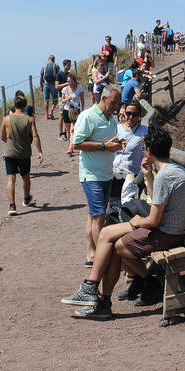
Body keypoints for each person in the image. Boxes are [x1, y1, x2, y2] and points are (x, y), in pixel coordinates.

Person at [62, 125, 185, 319]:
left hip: (165, 233)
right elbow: (159, 202)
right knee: (107, 234)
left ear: (148, 151)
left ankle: (99, 297)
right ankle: (93, 291)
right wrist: (148, 177)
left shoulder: (165, 177)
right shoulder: (177, 170)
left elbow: (153, 219)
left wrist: (139, 220)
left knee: (114, 247)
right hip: (172, 229)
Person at [69, 86, 123, 270]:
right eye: (114, 102)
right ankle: (102, 256)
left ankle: (90, 254)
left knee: (94, 214)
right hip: (91, 174)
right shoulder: (87, 115)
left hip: (107, 173)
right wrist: (103, 147)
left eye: (118, 103)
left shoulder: (110, 119)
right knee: (100, 215)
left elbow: (108, 142)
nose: (116, 106)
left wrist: (116, 145)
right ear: (104, 98)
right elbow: (76, 143)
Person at [1, 96, 43, 215]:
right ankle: (26, 199)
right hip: (24, 153)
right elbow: (35, 136)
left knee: (11, 178)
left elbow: (3, 137)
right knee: (26, 177)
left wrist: (11, 143)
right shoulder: (29, 120)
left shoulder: (6, 119)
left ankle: (12, 206)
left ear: (14, 105)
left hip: (10, 153)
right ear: (25, 106)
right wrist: (40, 151)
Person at [110, 100, 148, 206]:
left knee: (129, 208)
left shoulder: (145, 131)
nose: (131, 117)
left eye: (134, 114)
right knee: (112, 206)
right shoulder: (115, 128)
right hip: (114, 174)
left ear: (139, 115)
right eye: (128, 113)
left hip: (132, 177)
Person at [61, 78, 85, 154]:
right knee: (68, 131)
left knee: (72, 129)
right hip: (66, 110)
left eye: (70, 81)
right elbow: (62, 101)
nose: (69, 83)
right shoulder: (64, 89)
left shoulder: (79, 88)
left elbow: (82, 99)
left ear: (74, 81)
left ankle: (70, 147)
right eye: (68, 81)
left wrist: (82, 109)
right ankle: (70, 145)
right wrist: (67, 99)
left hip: (75, 110)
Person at [41, 54, 61, 120]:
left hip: (46, 84)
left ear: (48, 59)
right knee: (55, 99)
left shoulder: (44, 66)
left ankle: (46, 115)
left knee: (46, 100)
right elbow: (58, 75)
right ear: (54, 59)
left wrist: (41, 85)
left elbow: (41, 76)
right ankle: (51, 111)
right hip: (53, 83)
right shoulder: (56, 65)